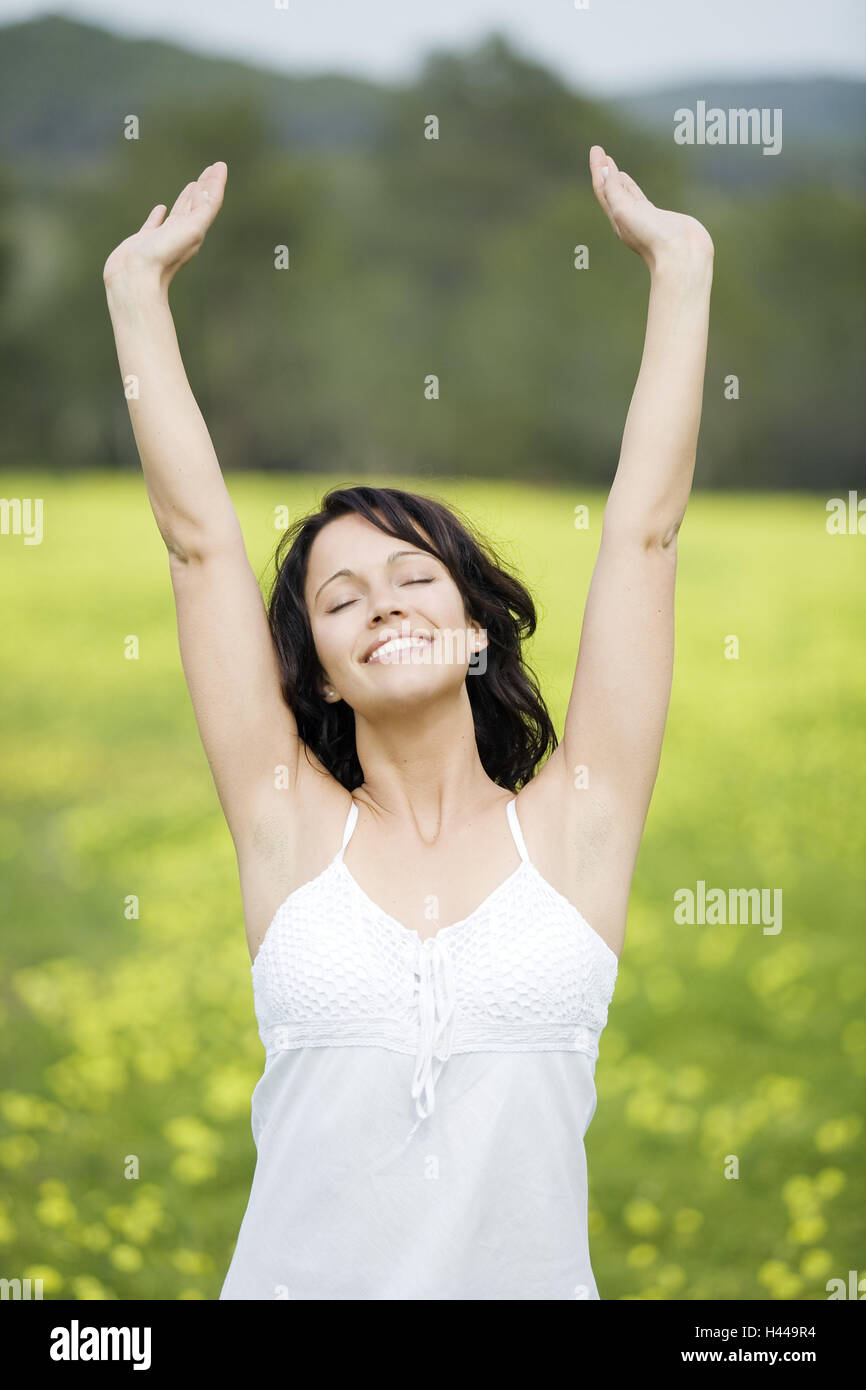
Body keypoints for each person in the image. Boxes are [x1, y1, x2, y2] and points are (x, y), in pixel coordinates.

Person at [103, 147, 713, 1300]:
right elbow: (198, 546)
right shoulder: (285, 829)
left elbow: (645, 533)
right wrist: (137, 296)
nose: (378, 601)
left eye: (412, 578)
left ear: (475, 626)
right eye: (338, 599)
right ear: (322, 676)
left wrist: (679, 270)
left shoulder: (579, 831)